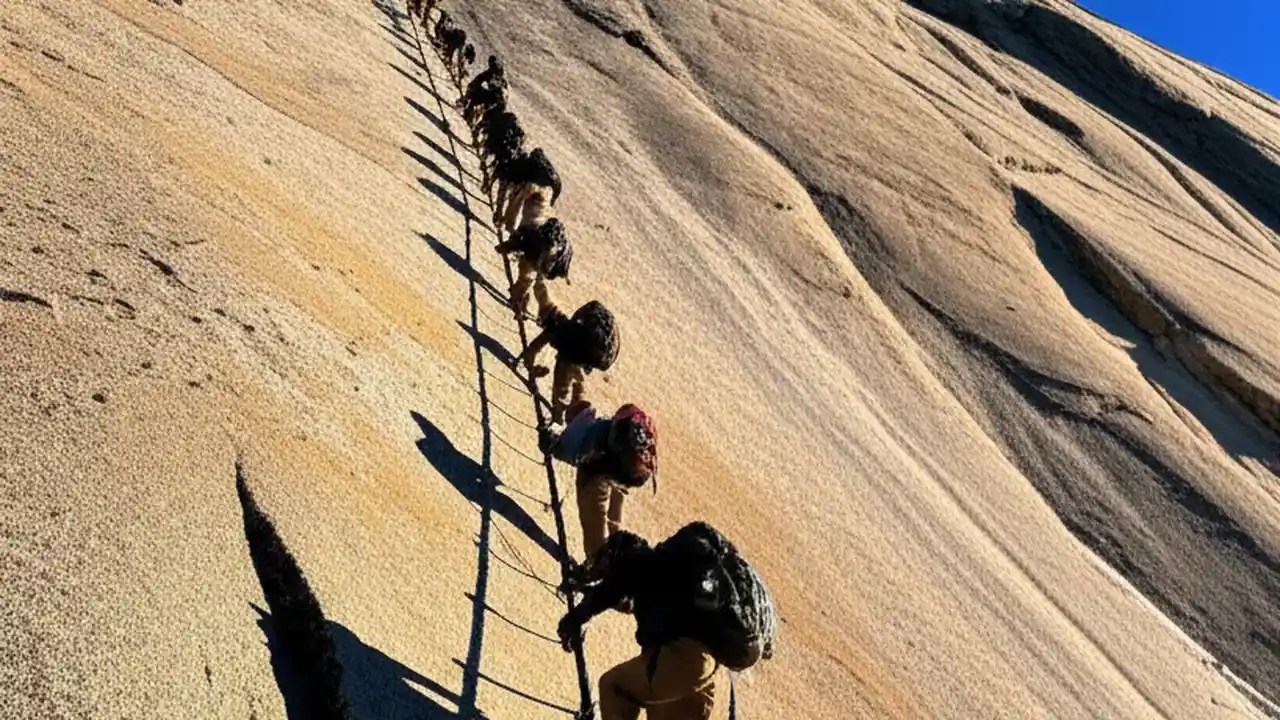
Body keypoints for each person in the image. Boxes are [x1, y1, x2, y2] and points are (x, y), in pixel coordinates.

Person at [557, 523, 778, 720]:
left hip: (686, 660)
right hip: (715, 668)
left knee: (615, 688)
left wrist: (573, 620)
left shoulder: (635, 564)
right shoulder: (676, 570)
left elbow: (610, 592)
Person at [542, 401, 657, 564]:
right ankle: (611, 545)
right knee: (613, 502)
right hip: (632, 470)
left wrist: (551, 444)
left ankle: (596, 564)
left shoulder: (580, 442)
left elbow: (566, 451)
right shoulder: (613, 428)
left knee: (592, 512)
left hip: (605, 465)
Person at [516, 300, 619, 423]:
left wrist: (529, 355)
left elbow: (561, 368)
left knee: (565, 372)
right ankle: (570, 405)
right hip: (601, 347)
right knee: (572, 370)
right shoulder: (574, 327)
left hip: (595, 345)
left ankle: (561, 412)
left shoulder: (565, 334)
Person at [495, 217, 573, 320]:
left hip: (546, 261)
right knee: (524, 276)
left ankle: (539, 310)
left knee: (539, 286)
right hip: (534, 252)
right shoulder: (533, 240)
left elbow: (559, 265)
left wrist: (559, 272)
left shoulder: (562, 253)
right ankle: (520, 299)